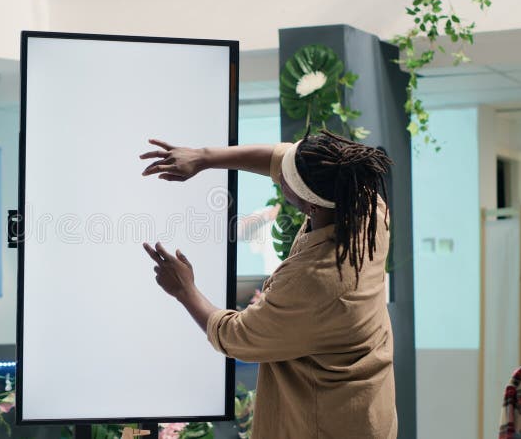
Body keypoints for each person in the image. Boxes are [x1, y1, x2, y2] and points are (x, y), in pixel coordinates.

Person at [141, 130, 397, 438]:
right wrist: (203, 157)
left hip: (328, 425)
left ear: (310, 205)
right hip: (366, 410)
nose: (277, 177)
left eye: (284, 179)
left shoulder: (318, 281)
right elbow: (281, 158)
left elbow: (236, 336)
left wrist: (185, 290)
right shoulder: (365, 206)